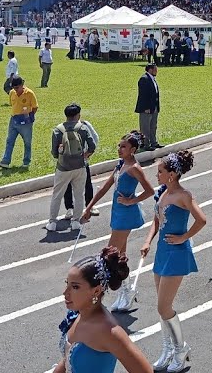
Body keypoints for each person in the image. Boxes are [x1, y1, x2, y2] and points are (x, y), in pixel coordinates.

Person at [140, 150, 206, 373]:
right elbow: (156, 222)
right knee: (161, 307)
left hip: (176, 253)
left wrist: (184, 237)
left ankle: (180, 349)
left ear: (172, 174)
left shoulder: (183, 195)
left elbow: (202, 219)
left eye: (160, 171)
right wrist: (148, 241)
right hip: (161, 251)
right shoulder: (163, 193)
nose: (156, 175)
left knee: (163, 306)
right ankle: (168, 349)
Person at [82, 132, 154, 313]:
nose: (119, 149)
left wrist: (132, 201)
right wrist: (89, 206)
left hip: (126, 215)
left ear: (133, 149)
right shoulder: (121, 165)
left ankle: (99, 298)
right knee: (120, 256)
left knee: (108, 257)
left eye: (123, 146)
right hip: (117, 212)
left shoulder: (134, 168)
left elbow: (150, 190)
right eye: (119, 146)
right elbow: (105, 187)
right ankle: (126, 291)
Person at [54, 247, 153, 373]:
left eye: (75, 287)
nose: (65, 293)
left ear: (96, 290)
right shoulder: (79, 314)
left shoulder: (108, 330)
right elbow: (67, 360)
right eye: (66, 283)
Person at [46, 104, 98, 233]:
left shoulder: (58, 130)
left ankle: (52, 222)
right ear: (78, 115)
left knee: (57, 195)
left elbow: (54, 152)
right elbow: (92, 146)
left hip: (63, 167)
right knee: (79, 194)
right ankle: (75, 221)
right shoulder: (83, 128)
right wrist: (86, 156)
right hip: (80, 166)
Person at [0, 76, 37, 169]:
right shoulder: (12, 93)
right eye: (14, 88)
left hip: (26, 122)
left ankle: (26, 162)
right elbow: (12, 104)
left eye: (17, 88)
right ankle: (5, 161)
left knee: (27, 142)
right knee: (9, 141)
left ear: (22, 85)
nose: (16, 90)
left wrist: (29, 116)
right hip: (14, 119)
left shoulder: (30, 93)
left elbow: (35, 106)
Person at [135, 64, 162, 152]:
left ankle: (153, 142)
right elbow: (143, 95)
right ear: (150, 70)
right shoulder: (144, 79)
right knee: (145, 128)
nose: (156, 71)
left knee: (153, 126)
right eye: (155, 69)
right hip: (146, 108)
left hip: (154, 107)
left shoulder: (152, 79)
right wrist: (146, 107)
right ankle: (146, 144)